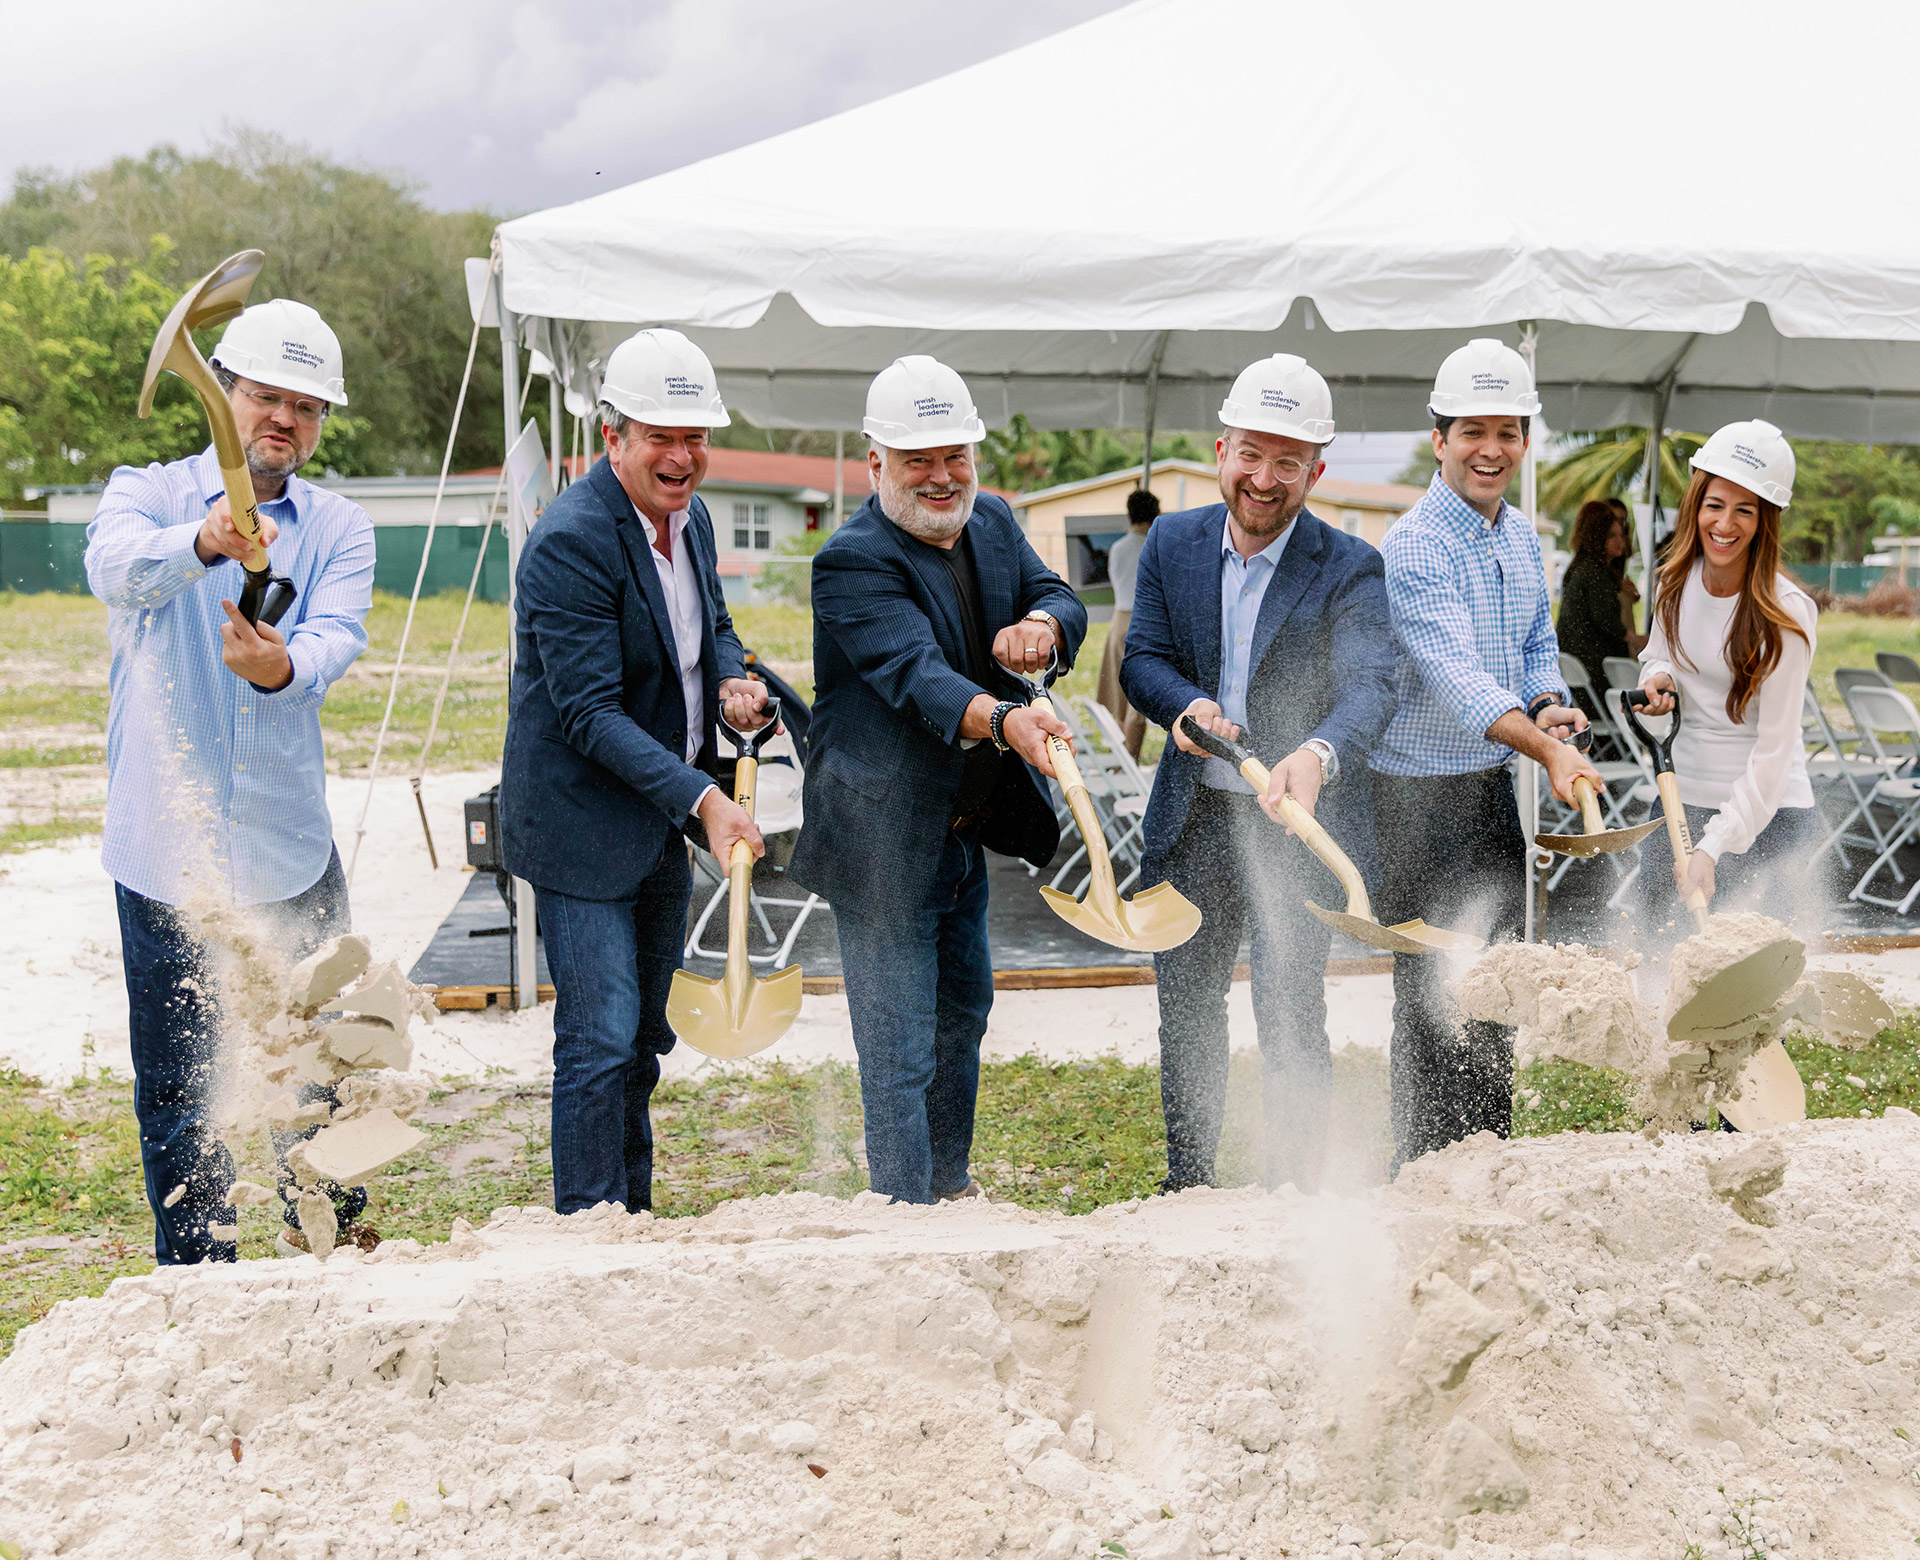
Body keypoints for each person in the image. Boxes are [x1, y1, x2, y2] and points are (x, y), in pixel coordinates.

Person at [85, 299, 376, 1263]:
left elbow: (336, 633)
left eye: (305, 406)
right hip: (170, 860)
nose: (282, 421)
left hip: (291, 853)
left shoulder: (340, 526)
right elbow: (113, 568)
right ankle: (203, 1298)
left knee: (325, 1086)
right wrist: (206, 542)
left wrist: (281, 669)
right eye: (262, 396)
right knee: (182, 1099)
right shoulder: (148, 492)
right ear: (222, 392)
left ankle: (330, 1269)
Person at [789, 356, 1087, 1205]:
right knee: (899, 1050)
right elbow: (916, 675)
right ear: (875, 460)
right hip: (880, 838)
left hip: (961, 829)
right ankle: (905, 1213)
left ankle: (950, 1188)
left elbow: (1062, 596)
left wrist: (1040, 625)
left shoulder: (991, 520)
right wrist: (1005, 720)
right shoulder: (850, 562)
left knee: (964, 1017)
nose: (940, 475)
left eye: (954, 454)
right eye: (917, 458)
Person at [500, 329, 772, 1216]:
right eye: (662, 435)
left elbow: (714, 628)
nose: (683, 455)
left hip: (653, 818)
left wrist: (732, 676)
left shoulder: (686, 527)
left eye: (696, 437)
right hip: (582, 828)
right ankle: (587, 1229)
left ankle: (632, 1220)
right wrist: (703, 798)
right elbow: (587, 713)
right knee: (600, 1039)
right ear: (612, 435)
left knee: (643, 1039)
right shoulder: (572, 540)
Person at [1122, 354, 1395, 1193]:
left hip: (1290, 827)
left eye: (1287, 463)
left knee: (1289, 1008)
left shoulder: (1349, 565)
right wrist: (1183, 706)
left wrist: (1315, 755)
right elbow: (1144, 658)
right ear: (1220, 451)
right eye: (1251, 454)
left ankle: (1295, 1189)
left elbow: (1371, 686)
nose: (1264, 479)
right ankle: (1189, 1183)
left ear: (1317, 470)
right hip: (1196, 818)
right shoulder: (1173, 542)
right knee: (1188, 1008)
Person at [1370, 339, 1603, 1171]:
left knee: (1496, 980)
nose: (1491, 450)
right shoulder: (1416, 545)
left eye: (1508, 432)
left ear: (1525, 441)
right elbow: (1458, 678)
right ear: (1439, 438)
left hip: (1487, 790)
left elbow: (1534, 644)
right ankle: (1425, 1169)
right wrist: (1546, 748)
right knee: (1433, 994)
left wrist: (1548, 705)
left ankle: (1488, 1160)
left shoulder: (1519, 539)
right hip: (1413, 800)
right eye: (1473, 431)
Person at [1635, 421, 1818, 919]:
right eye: (1715, 504)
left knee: (1759, 981)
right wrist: (1658, 677)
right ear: (1696, 504)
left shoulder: (1787, 614)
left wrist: (1714, 846)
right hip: (1680, 798)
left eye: (1745, 510)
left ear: (1766, 521)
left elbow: (1775, 749)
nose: (1725, 523)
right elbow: (1658, 654)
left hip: (1766, 816)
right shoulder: (1674, 582)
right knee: (1657, 957)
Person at [1557, 499, 1646, 703]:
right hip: (1597, 679)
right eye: (1612, 536)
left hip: (1576, 678)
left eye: (1621, 534)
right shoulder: (1595, 574)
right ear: (1598, 538)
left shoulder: (1580, 568)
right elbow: (1606, 619)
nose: (1620, 542)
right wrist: (1634, 639)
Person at [1095, 487, 1158, 757]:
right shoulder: (1154, 546)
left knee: (1118, 695)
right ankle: (1130, 757)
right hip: (1145, 621)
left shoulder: (1117, 548)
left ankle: (1120, 756)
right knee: (1137, 698)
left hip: (1119, 620)